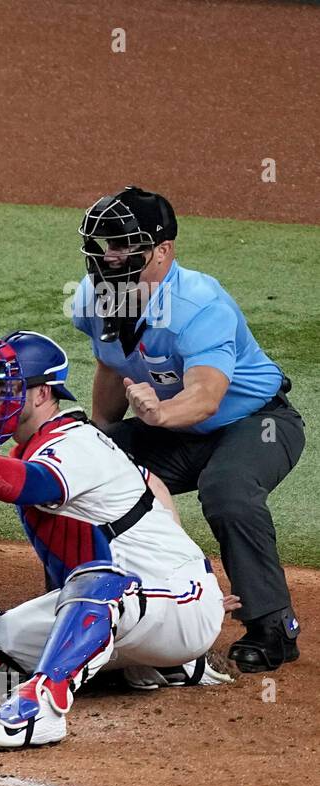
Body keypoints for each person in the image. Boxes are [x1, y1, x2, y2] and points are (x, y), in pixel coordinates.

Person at [0, 331, 230, 748]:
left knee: (97, 586)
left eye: (4, 386)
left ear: (42, 393)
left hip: (177, 605)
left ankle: (39, 711)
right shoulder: (41, 446)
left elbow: (33, 485)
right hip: (143, 607)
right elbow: (151, 485)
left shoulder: (74, 442)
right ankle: (161, 665)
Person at [71, 186, 305, 672]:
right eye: (103, 245)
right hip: (176, 433)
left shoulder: (198, 305)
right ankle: (97, 605)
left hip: (256, 423)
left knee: (229, 491)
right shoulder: (93, 297)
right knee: (85, 477)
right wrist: (98, 440)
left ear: (163, 251)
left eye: (123, 245)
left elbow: (205, 397)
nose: (110, 257)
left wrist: (158, 415)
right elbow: (110, 367)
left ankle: (272, 627)